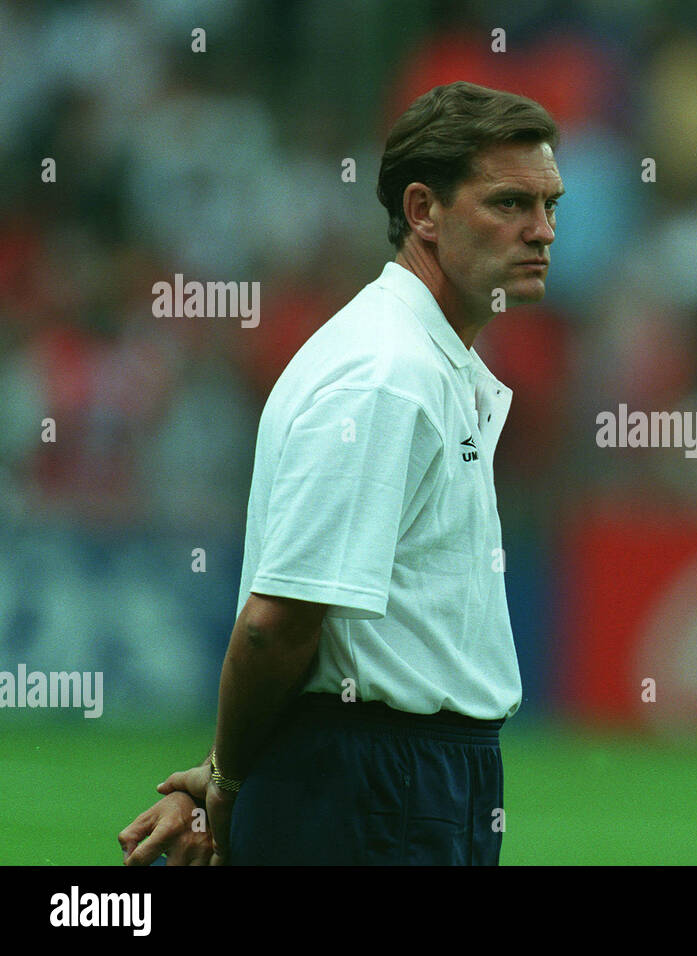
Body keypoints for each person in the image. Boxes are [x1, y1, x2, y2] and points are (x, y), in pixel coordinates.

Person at [117, 80, 562, 866]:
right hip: (378, 789)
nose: (543, 231)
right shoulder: (385, 375)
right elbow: (277, 621)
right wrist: (226, 782)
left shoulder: (421, 359)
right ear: (422, 210)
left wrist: (228, 772)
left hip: (400, 778)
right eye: (510, 204)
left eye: (550, 204)